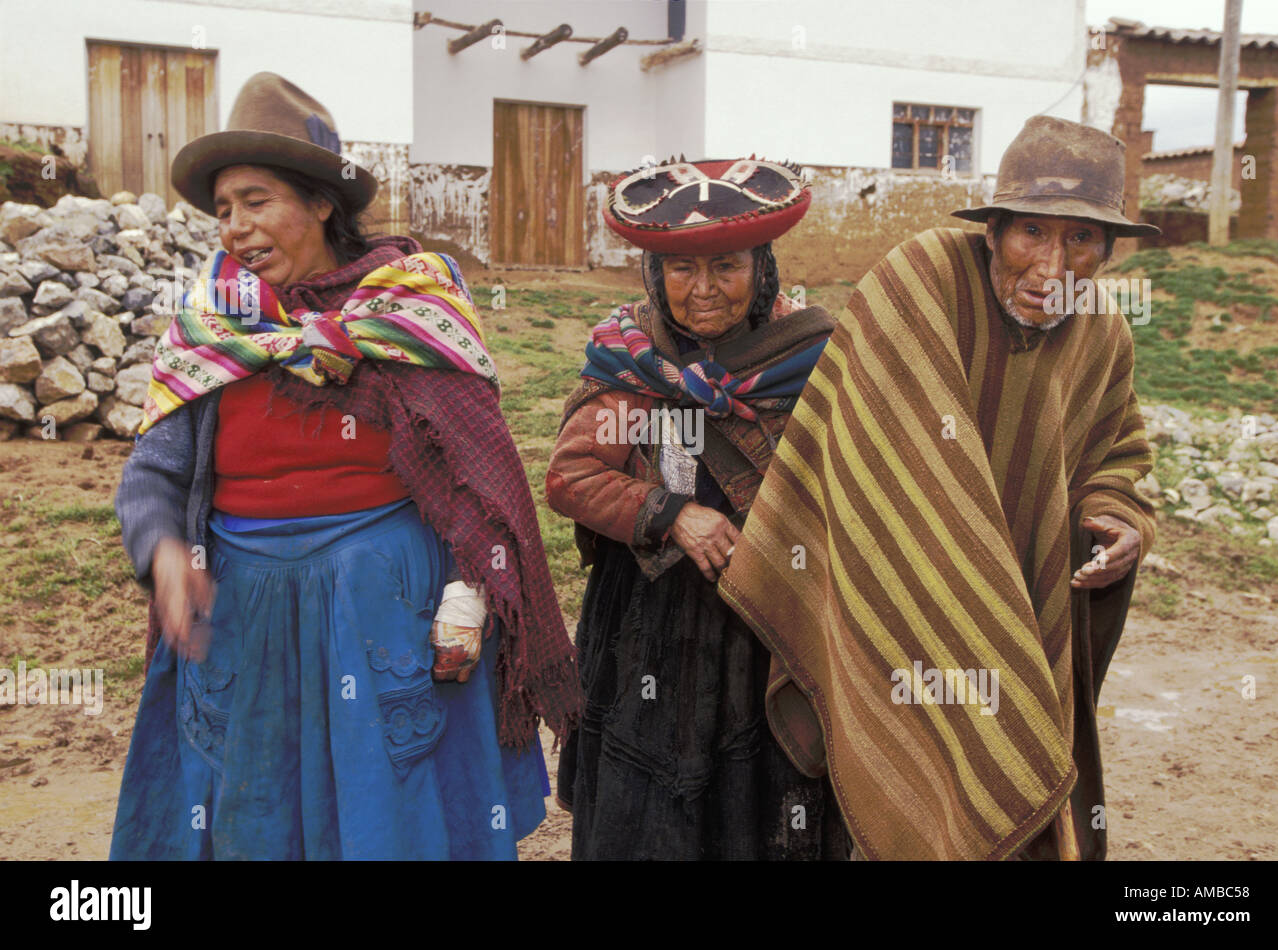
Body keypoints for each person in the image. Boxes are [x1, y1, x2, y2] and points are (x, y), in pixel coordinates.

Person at [109, 72, 579, 860]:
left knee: (388, 822)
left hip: (381, 613)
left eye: (257, 202)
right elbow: (153, 470)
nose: (235, 228)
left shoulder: (407, 306)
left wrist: (469, 595)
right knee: (249, 821)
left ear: (322, 202)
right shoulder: (209, 326)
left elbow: (478, 475)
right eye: (224, 210)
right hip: (243, 614)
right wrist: (160, 548)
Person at [719, 116, 1161, 861]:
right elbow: (887, 465)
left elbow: (1113, 448)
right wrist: (958, 594)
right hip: (897, 586)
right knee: (903, 780)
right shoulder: (924, 279)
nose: (1052, 267)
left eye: (1081, 241)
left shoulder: (1102, 330)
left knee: (1008, 779)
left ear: (1108, 252)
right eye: (1030, 233)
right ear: (992, 231)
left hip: (1024, 600)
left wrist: (1117, 519)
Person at [545, 158, 851, 859]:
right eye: (680, 269)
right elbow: (571, 476)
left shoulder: (811, 359)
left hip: (769, 618)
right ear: (655, 275)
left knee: (764, 796)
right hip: (652, 622)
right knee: (651, 805)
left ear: (762, 267)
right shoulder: (631, 363)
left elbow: (850, 483)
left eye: (725, 266)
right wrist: (669, 511)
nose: (703, 289)